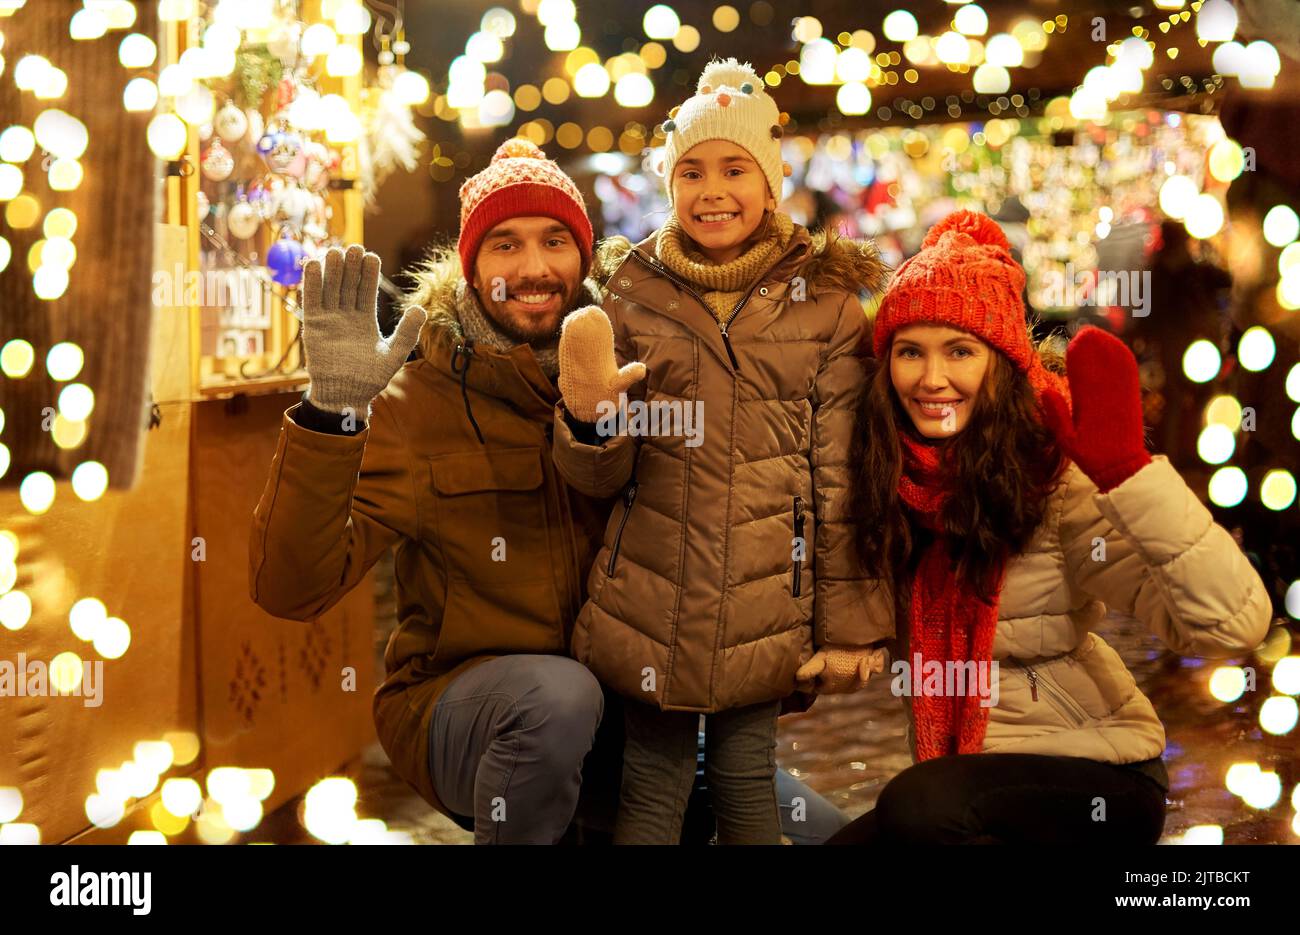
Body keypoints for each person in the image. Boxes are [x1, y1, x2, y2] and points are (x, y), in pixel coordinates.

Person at [249, 138, 846, 844]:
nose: (533, 269)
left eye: (555, 240)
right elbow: (291, 587)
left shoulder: (636, 372)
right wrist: (332, 414)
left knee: (823, 833)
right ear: (471, 269)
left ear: (585, 257)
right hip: (468, 709)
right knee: (559, 698)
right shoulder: (417, 403)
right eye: (504, 244)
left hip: (636, 716)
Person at [828, 210, 1271, 844]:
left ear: (1001, 362)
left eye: (960, 350)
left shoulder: (1050, 477)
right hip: (970, 783)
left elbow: (1233, 624)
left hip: (1098, 774)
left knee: (920, 808)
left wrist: (1128, 474)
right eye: (909, 352)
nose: (932, 379)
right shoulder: (887, 481)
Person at [551, 59, 892, 845]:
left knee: (746, 783)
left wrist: (851, 623)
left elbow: (842, 472)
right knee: (651, 785)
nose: (713, 190)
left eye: (736, 169)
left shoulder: (826, 304)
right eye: (692, 171)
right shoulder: (632, 293)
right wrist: (592, 422)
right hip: (652, 587)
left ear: (771, 186)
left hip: (767, 591)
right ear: (668, 185)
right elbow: (600, 473)